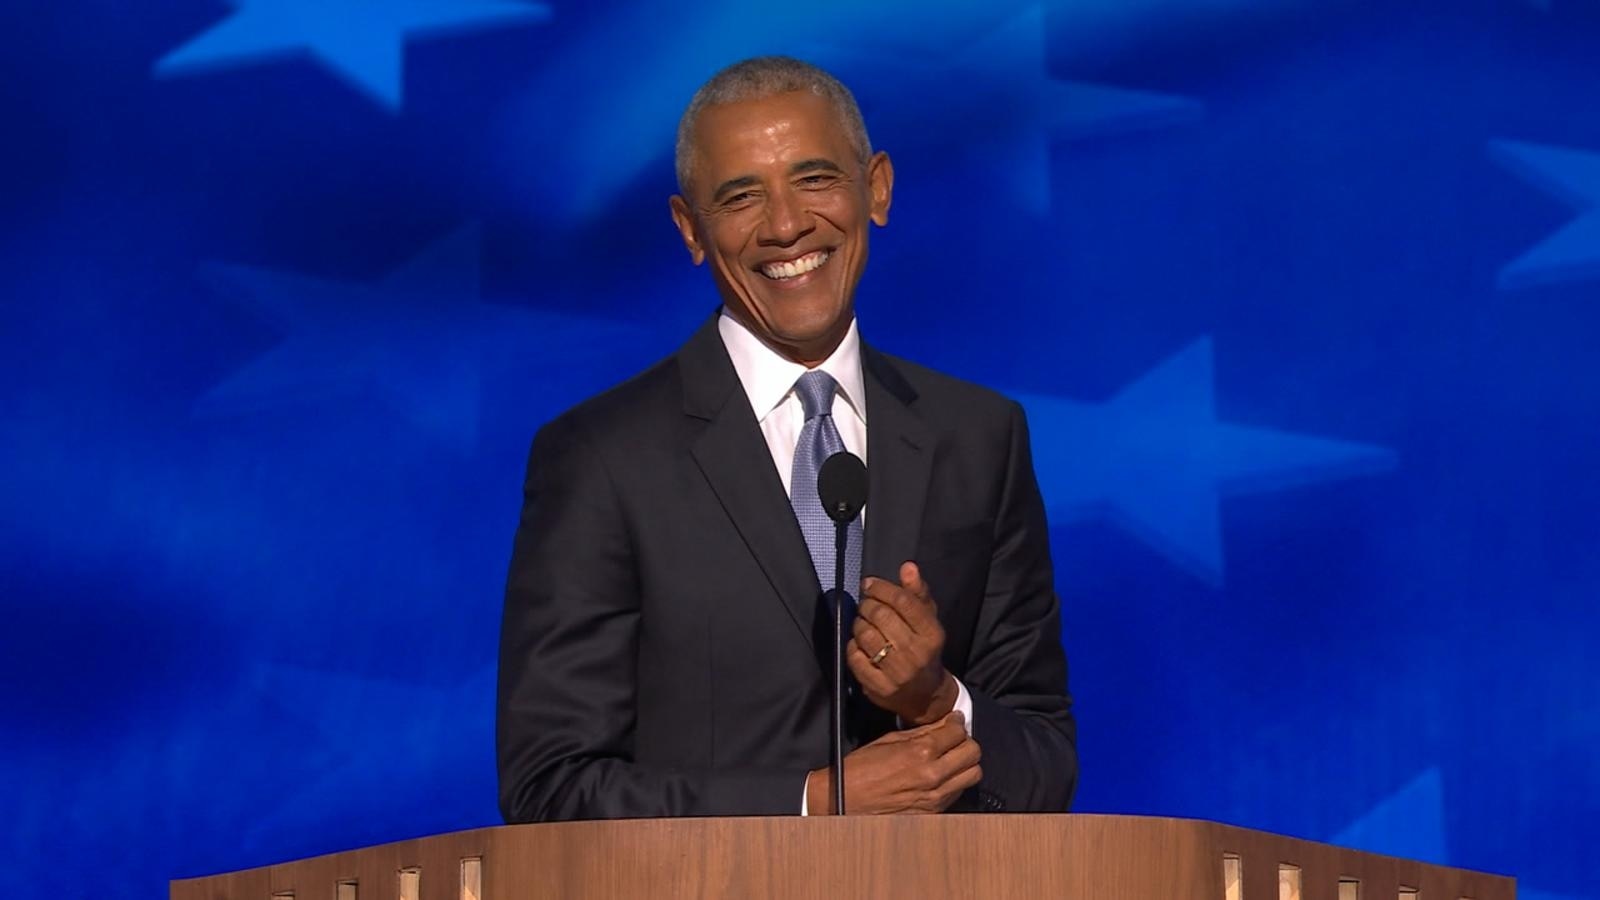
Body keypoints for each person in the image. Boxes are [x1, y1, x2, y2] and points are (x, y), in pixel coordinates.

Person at [497, 56, 1076, 820]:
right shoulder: (601, 459)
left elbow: (1044, 767)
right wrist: (812, 804)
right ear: (691, 230)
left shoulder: (979, 438)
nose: (785, 225)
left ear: (876, 189)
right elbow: (550, 788)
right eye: (741, 196)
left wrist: (936, 700)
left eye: (815, 179)